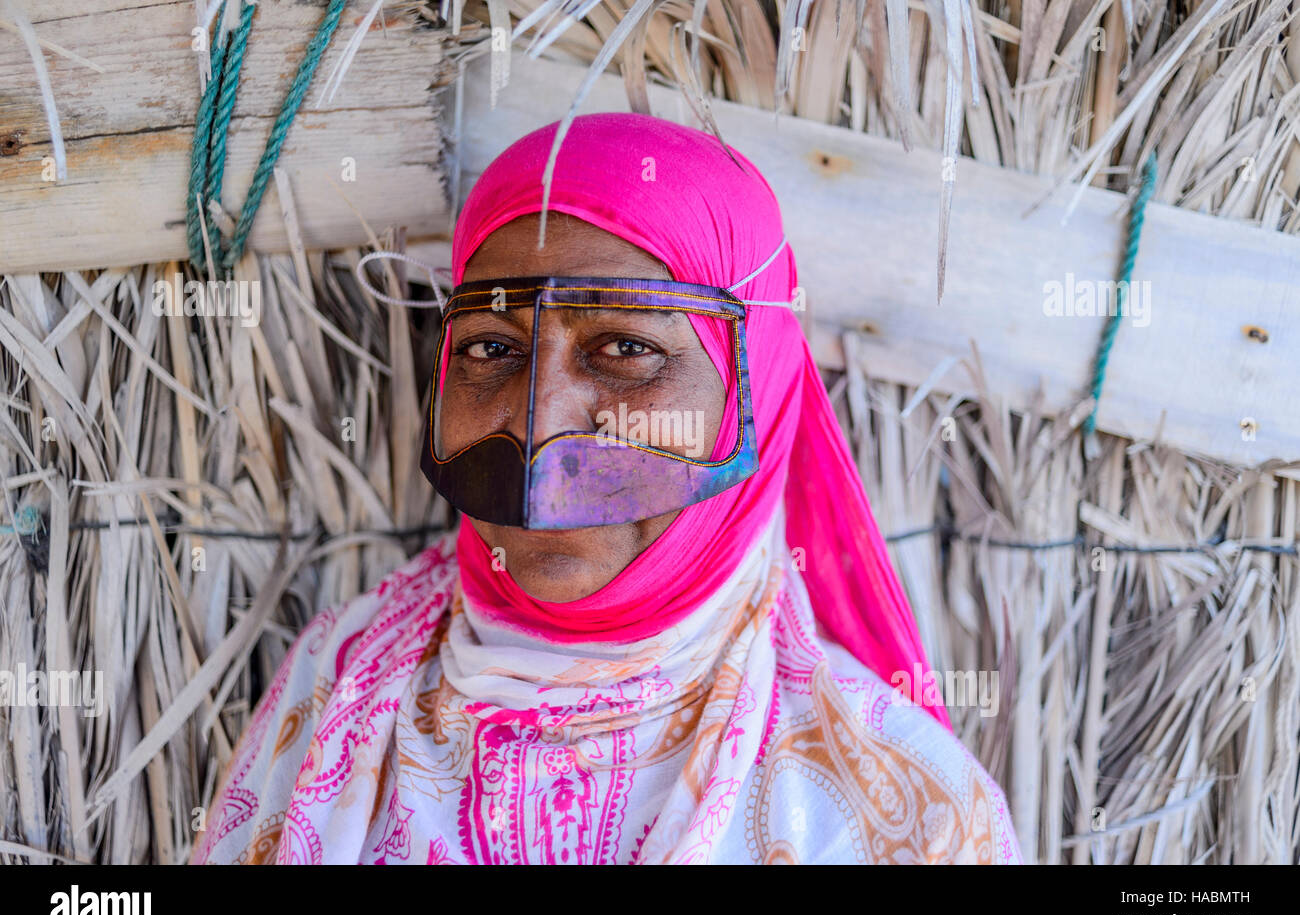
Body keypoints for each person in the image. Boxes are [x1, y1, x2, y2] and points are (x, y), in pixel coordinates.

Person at [191, 112, 1022, 865]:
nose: (539, 423)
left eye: (626, 349)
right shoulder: (336, 685)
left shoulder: (914, 817)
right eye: (490, 349)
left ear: (753, 388)